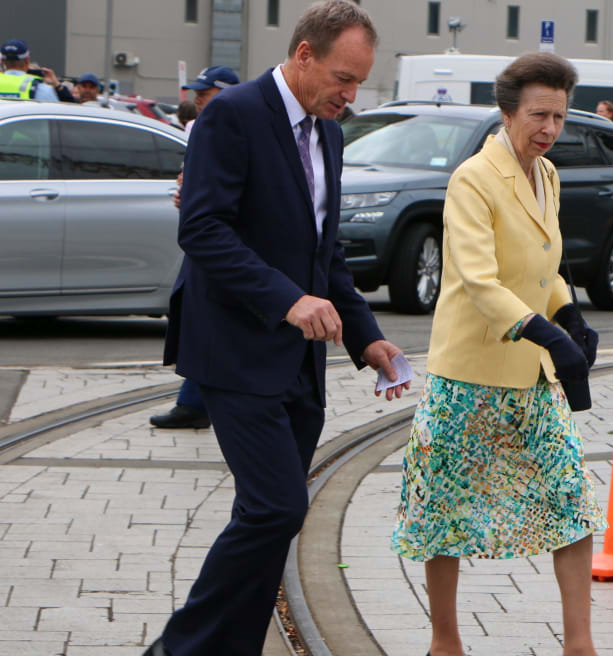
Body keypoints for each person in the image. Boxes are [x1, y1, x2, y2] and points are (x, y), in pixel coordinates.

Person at [144, 2, 407, 654]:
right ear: (304, 55)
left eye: (359, 83)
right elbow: (202, 229)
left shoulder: (331, 135)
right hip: (235, 348)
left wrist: (364, 336)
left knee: (270, 521)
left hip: (300, 364)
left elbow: (327, 254)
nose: (350, 96)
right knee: (275, 509)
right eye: (343, 79)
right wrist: (287, 300)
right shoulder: (231, 116)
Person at [391, 52, 604, 656]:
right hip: (469, 373)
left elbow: (543, 266)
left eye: (559, 117)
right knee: (443, 512)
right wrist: (547, 332)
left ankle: (579, 645)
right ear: (507, 111)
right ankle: (445, 641)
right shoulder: (473, 179)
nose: (550, 128)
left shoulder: (549, 174)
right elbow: (481, 281)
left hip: (531, 375)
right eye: (539, 115)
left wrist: (568, 312)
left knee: (571, 501)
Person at [149, 65, 241, 431]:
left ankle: (196, 403)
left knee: (210, 323)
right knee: (200, 319)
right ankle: (194, 401)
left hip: (223, 246)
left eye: (205, 92)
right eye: (197, 92)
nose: (198, 99)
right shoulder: (206, 126)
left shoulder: (234, 127)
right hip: (207, 242)